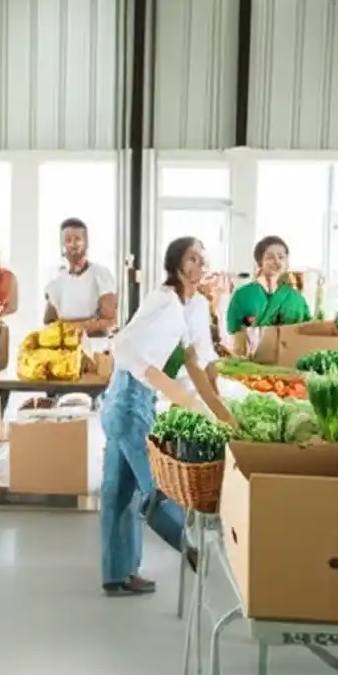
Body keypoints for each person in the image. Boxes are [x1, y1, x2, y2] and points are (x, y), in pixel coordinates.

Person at [100, 237, 231, 596]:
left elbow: (197, 360)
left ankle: (118, 574)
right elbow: (123, 345)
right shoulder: (164, 301)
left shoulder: (193, 305)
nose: (200, 265)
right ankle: (191, 549)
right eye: (192, 259)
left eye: (203, 259)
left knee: (118, 491)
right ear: (176, 265)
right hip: (127, 399)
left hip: (133, 400)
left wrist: (215, 407)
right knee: (155, 487)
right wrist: (164, 384)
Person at [225, 236, 312, 355]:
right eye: (270, 257)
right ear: (260, 261)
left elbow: (306, 333)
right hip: (252, 365)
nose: (277, 262)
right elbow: (236, 336)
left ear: (287, 262)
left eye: (281, 257)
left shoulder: (297, 299)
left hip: (290, 361)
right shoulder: (243, 295)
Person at [43, 218, 118, 334]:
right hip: (65, 347)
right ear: (62, 245)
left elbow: (109, 321)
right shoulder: (56, 281)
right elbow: (49, 323)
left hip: (96, 343)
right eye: (68, 240)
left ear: (86, 243)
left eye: (77, 239)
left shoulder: (101, 275)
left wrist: (68, 326)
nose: (73, 244)